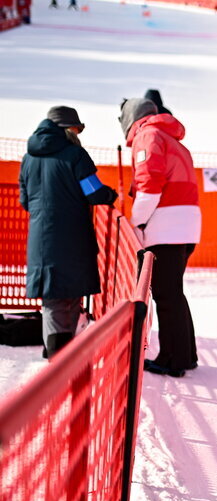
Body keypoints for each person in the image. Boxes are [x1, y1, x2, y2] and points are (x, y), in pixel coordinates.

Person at [18, 106, 117, 358]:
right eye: (77, 128)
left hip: (41, 239)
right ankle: (59, 358)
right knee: (71, 294)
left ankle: (55, 351)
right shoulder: (75, 155)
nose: (78, 133)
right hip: (72, 237)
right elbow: (93, 191)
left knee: (52, 299)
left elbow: (25, 200)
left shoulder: (28, 158)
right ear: (66, 129)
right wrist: (110, 195)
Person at [118, 97, 201, 377]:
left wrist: (135, 222)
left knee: (166, 296)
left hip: (166, 225)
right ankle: (185, 355)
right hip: (186, 224)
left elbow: (150, 186)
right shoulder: (172, 139)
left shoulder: (149, 136)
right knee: (173, 293)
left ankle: (172, 360)